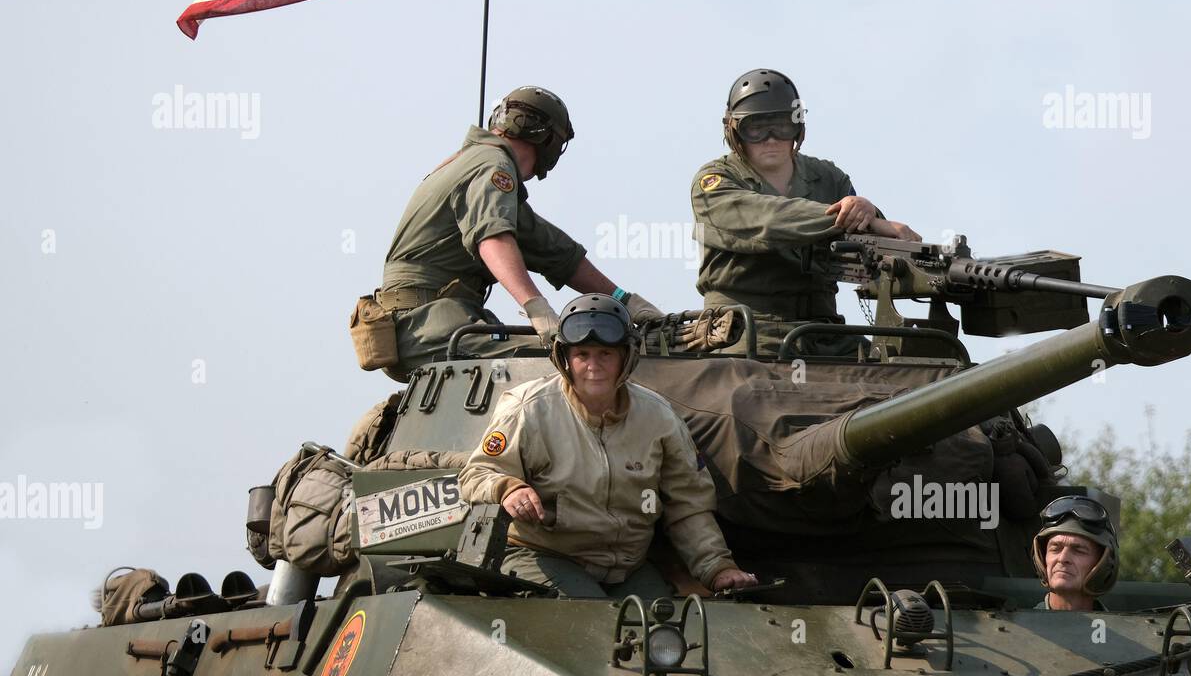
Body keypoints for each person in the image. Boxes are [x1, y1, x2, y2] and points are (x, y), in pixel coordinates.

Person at [458, 293, 758, 599]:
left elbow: (688, 503)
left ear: (625, 357)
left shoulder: (659, 417)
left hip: (626, 567)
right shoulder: (529, 408)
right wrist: (508, 488)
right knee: (590, 621)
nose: (593, 366)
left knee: (667, 627)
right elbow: (478, 473)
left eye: (605, 354)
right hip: (543, 555)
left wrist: (717, 568)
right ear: (565, 358)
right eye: (583, 354)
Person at [372, 86, 662, 375]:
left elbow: (556, 253)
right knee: (580, 362)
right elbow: (493, 239)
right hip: (428, 327)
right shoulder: (492, 165)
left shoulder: (472, 162)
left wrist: (627, 302)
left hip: (428, 322)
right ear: (547, 139)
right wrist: (538, 310)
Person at [691, 68, 919, 355]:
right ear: (734, 130)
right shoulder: (714, 181)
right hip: (745, 333)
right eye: (756, 127)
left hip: (824, 333)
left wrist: (876, 221)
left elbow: (869, 249)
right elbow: (768, 219)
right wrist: (843, 217)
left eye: (782, 126)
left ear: (798, 128)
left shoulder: (828, 178)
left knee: (914, 374)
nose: (771, 138)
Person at [1031, 495, 1118, 612]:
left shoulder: (1126, 629)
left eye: (1078, 550)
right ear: (1041, 558)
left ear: (1104, 562)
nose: (1062, 558)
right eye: (1055, 549)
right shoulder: (1015, 629)